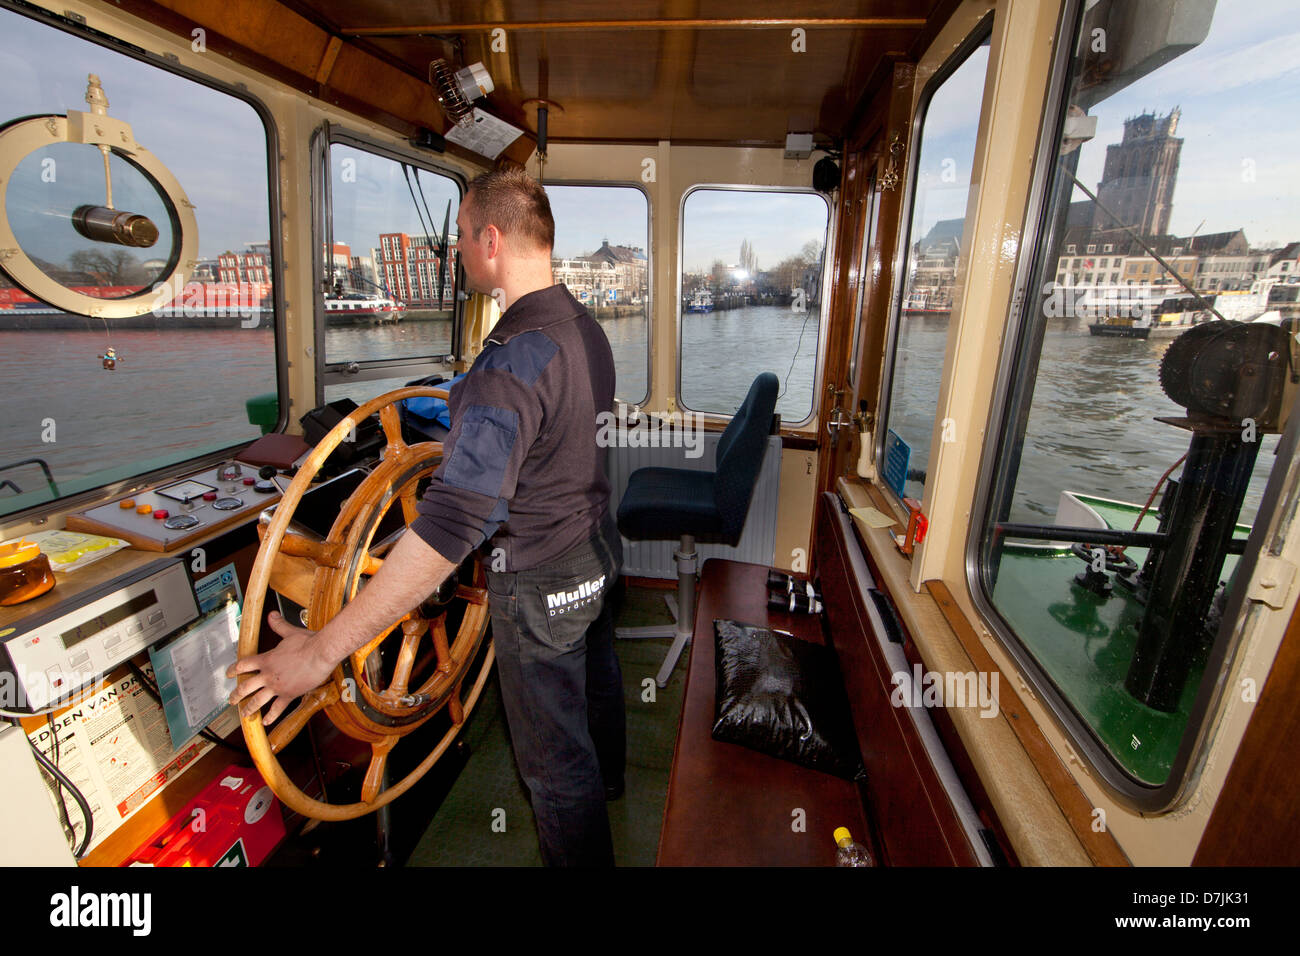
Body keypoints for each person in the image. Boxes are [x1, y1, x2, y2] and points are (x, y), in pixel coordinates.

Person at [228, 165, 625, 867]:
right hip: (593, 551)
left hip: (536, 582)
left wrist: (322, 651)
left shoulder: (509, 363)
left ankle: (590, 811)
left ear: (491, 240)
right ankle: (615, 782)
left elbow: (447, 531)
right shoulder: (580, 324)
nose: (461, 252)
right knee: (592, 693)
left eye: (464, 237)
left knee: (555, 770)